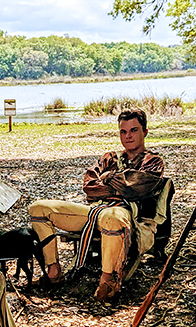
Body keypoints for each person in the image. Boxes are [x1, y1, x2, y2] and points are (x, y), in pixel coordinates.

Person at [29, 108, 165, 301]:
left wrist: (107, 178)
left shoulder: (153, 162)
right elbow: (89, 186)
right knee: (39, 208)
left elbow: (136, 190)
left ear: (145, 132)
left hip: (126, 214)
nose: (128, 136)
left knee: (112, 216)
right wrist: (121, 183)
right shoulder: (109, 157)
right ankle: (53, 271)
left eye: (134, 130)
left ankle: (107, 281)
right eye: (123, 131)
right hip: (95, 212)